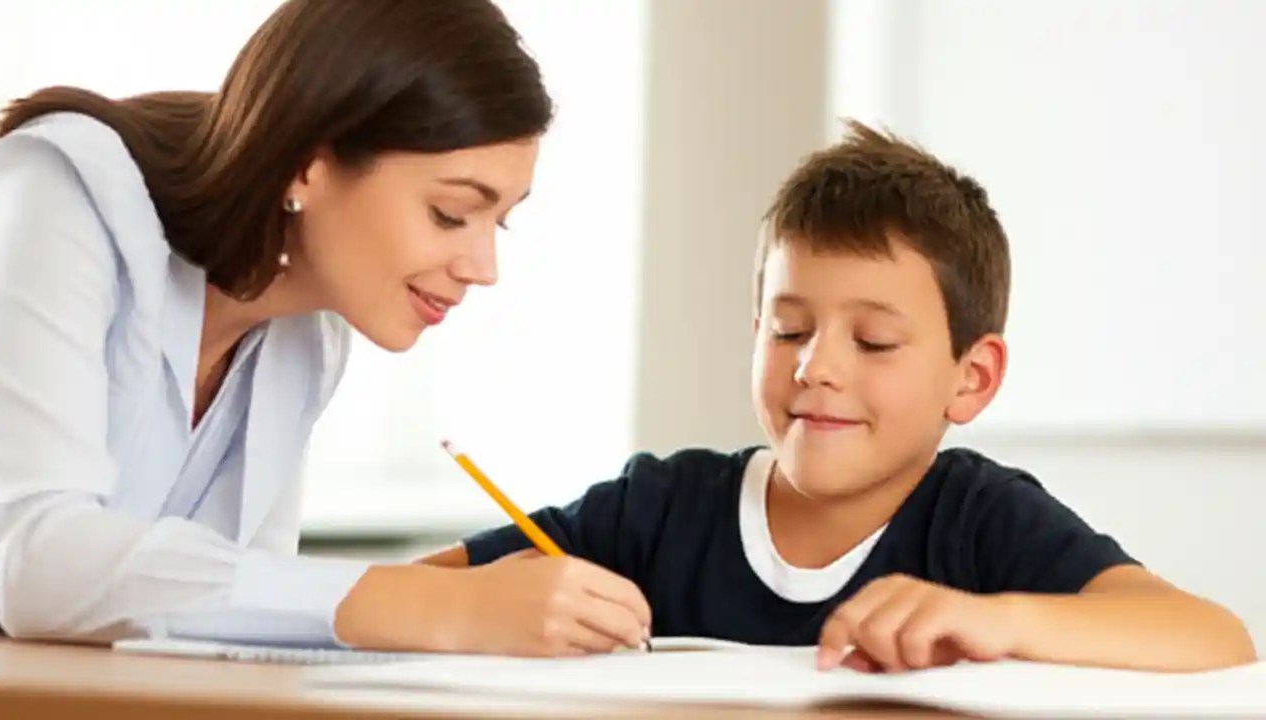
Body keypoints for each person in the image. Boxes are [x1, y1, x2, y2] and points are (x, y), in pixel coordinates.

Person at [425, 121, 1258, 672]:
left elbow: (1214, 638)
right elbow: (394, 597)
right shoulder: (661, 506)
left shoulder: (981, 519)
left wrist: (1005, 622)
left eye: (874, 342)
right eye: (788, 330)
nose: (817, 368)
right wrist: (480, 606)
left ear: (972, 378)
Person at [0, 0, 651, 655]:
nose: (484, 268)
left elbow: (236, 619)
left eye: (497, 221)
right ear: (307, 162)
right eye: (451, 213)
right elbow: (34, 561)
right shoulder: (60, 193)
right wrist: (442, 603)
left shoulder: (310, 334)